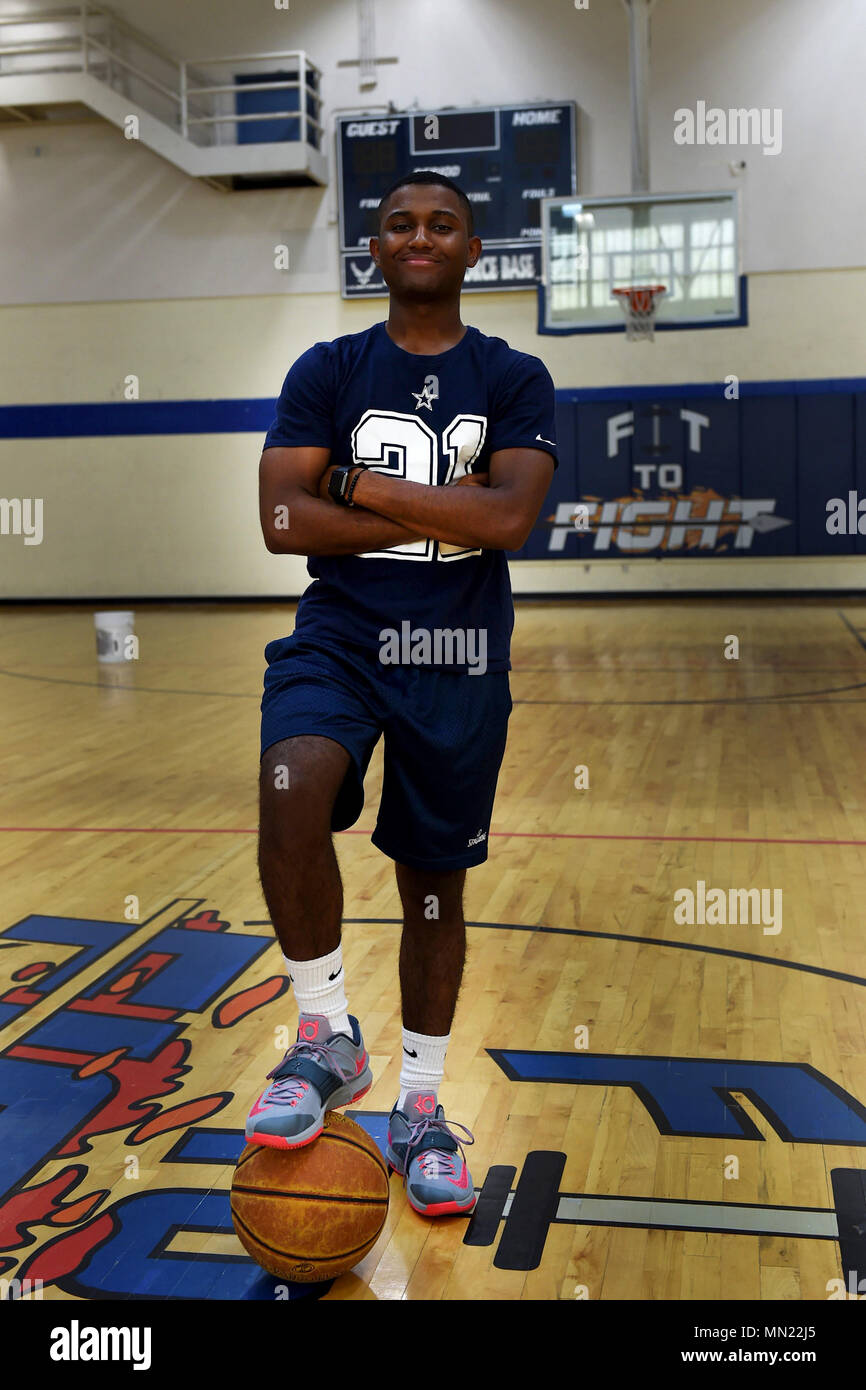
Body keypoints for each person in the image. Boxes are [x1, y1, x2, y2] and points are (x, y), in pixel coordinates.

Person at [248, 171, 558, 1217]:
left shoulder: (513, 375)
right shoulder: (325, 368)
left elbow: (511, 522)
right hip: (338, 631)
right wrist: (446, 510)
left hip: (459, 648)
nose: (417, 235)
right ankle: (325, 1031)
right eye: (397, 224)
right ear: (371, 251)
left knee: (434, 882)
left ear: (473, 251)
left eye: (441, 224)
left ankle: (422, 1106)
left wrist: (352, 484)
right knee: (291, 788)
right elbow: (280, 525)